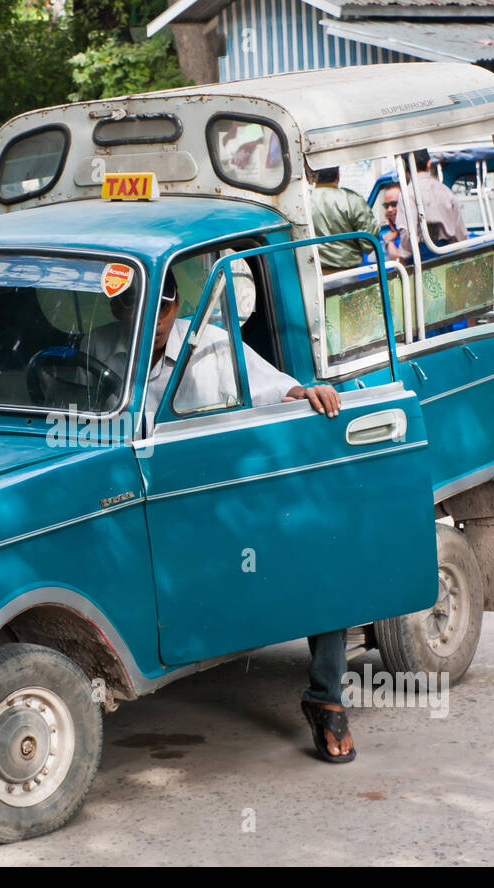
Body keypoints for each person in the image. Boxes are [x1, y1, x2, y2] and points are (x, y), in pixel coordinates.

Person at [93, 272, 356, 763]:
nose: (150, 320)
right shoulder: (102, 350)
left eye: (162, 308)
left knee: (321, 561)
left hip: (222, 499)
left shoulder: (215, 346)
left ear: (175, 305)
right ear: (118, 311)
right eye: (133, 308)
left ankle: (326, 697)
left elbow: (278, 389)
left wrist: (306, 394)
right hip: (145, 503)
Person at [306, 166, 377, 270]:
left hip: (313, 272)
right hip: (348, 272)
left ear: (314, 176)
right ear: (338, 175)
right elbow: (369, 240)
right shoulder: (351, 199)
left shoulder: (304, 200)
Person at [397, 148, 469, 249]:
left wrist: (402, 256)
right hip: (448, 251)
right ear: (429, 164)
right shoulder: (446, 191)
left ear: (405, 170)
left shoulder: (407, 194)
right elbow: (460, 232)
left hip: (423, 254)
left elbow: (408, 233)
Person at [378, 184, 409, 262]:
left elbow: (399, 260)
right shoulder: (393, 227)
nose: (389, 209)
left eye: (394, 204)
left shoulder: (410, 228)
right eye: (386, 206)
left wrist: (389, 241)